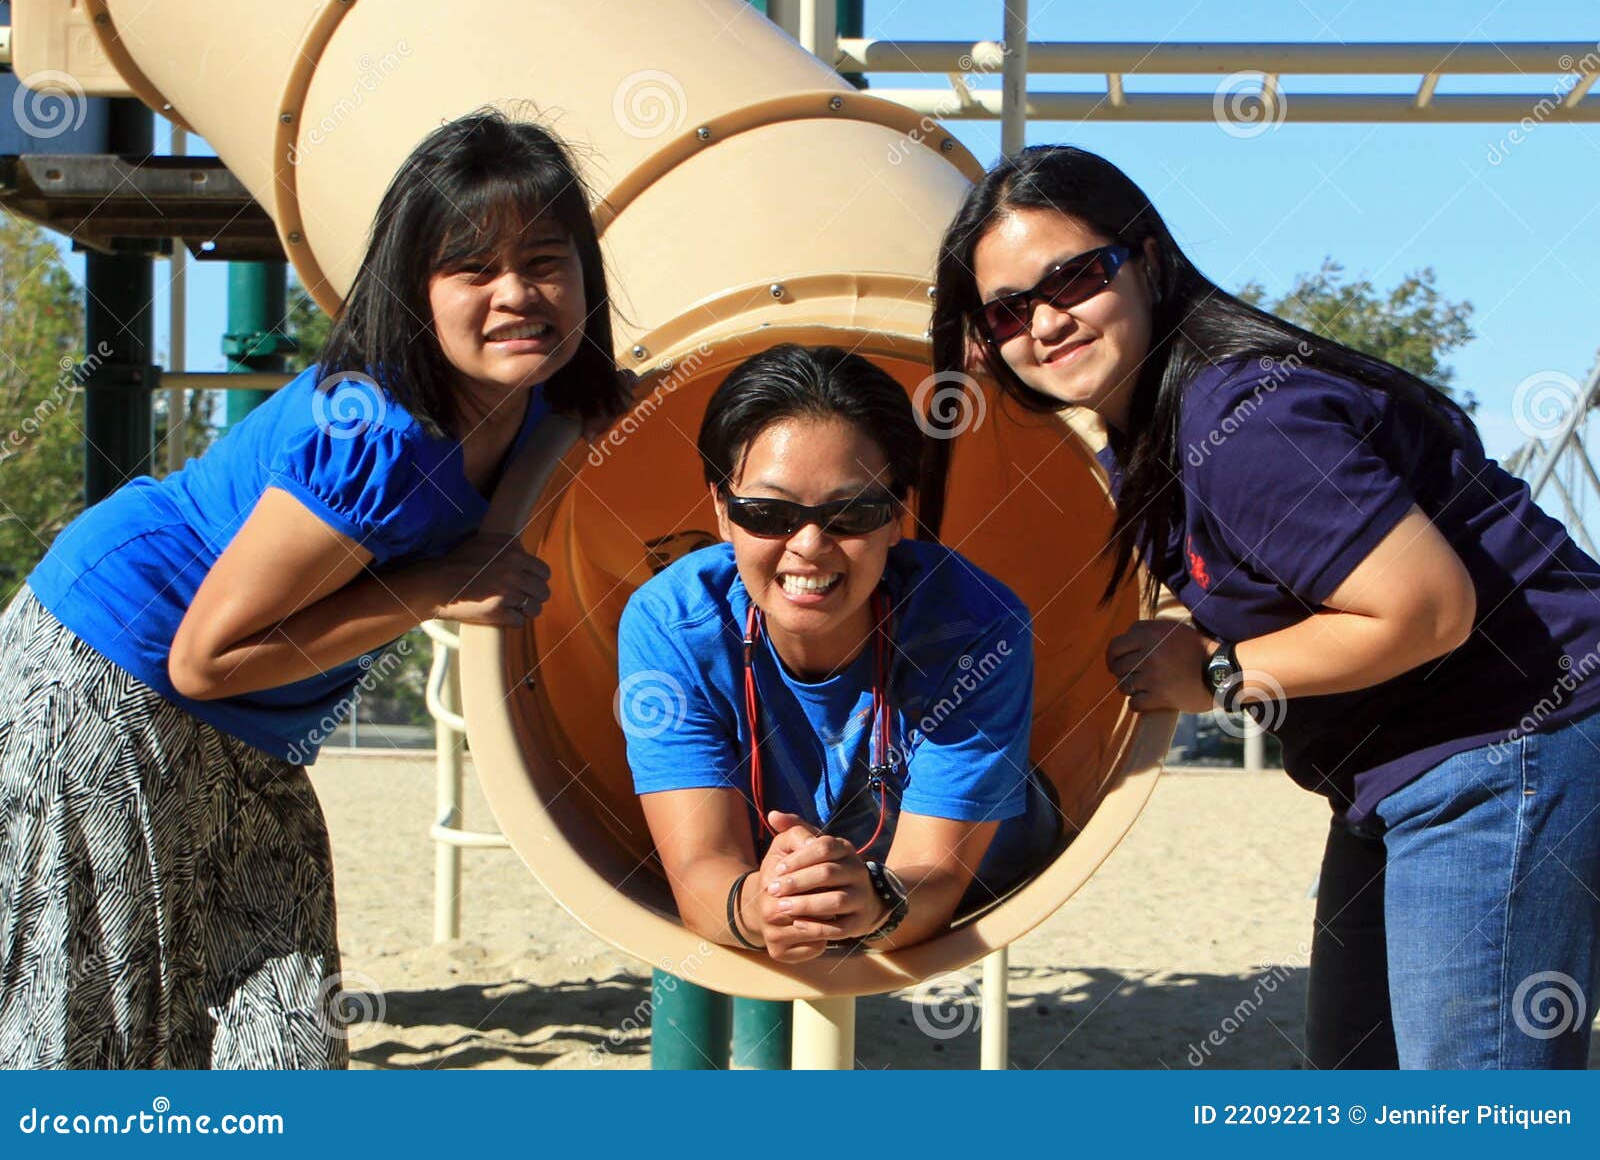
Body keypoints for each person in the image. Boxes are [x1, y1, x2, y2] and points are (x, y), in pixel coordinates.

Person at [926, 143, 1600, 1069]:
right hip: (1401, 768)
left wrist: (1215, 674)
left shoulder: (1241, 424)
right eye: (1006, 309)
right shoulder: (1151, 429)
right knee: (1354, 1072)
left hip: (1506, 743)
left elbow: (1426, 609)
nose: (1045, 322)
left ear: (1148, 259)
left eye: (1074, 278)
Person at [0, 109, 630, 1068]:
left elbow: (569, 417)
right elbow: (205, 658)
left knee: (281, 1034)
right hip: (108, 676)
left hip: (251, 737)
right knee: (89, 1035)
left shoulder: (540, 393)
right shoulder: (373, 435)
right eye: (473, 270)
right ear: (413, 290)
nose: (517, 294)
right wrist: (432, 587)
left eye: (546, 260)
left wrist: (502, 531)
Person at [615, 344, 1059, 964]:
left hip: (987, 859)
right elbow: (699, 870)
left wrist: (871, 903)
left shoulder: (974, 626)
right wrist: (759, 906)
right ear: (721, 509)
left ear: (899, 513)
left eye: (852, 513)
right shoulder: (673, 621)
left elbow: (936, 877)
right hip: (783, 872)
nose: (809, 546)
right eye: (767, 512)